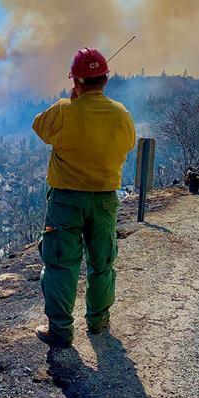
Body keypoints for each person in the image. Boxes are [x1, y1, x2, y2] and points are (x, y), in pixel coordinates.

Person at [32, 47, 136, 348]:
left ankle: (61, 331)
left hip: (66, 201)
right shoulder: (121, 114)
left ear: (76, 81)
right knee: (102, 262)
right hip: (104, 200)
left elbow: (39, 126)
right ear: (105, 80)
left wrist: (73, 101)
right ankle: (99, 322)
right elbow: (128, 144)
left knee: (62, 264)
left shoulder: (64, 110)